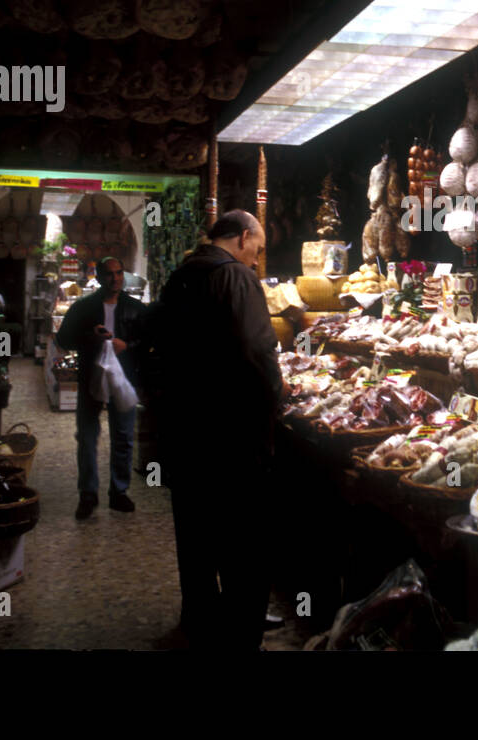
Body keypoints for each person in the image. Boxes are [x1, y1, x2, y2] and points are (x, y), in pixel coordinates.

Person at [149, 209, 285, 649]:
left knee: (196, 534)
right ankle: (242, 629)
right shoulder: (236, 278)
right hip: (232, 434)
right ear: (245, 237)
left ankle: (201, 618)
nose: (256, 259)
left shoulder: (182, 276)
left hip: (185, 432)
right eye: (258, 249)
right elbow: (256, 349)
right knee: (244, 537)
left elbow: (152, 348)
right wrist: (276, 397)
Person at [55, 256, 147, 520]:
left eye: (119, 273)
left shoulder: (135, 309)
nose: (115, 278)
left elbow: (149, 342)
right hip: (90, 380)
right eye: (109, 274)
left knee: (124, 437)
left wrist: (127, 346)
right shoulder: (83, 308)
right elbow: (63, 339)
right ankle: (88, 494)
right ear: (99, 276)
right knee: (86, 438)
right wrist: (89, 337)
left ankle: (119, 492)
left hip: (123, 381)